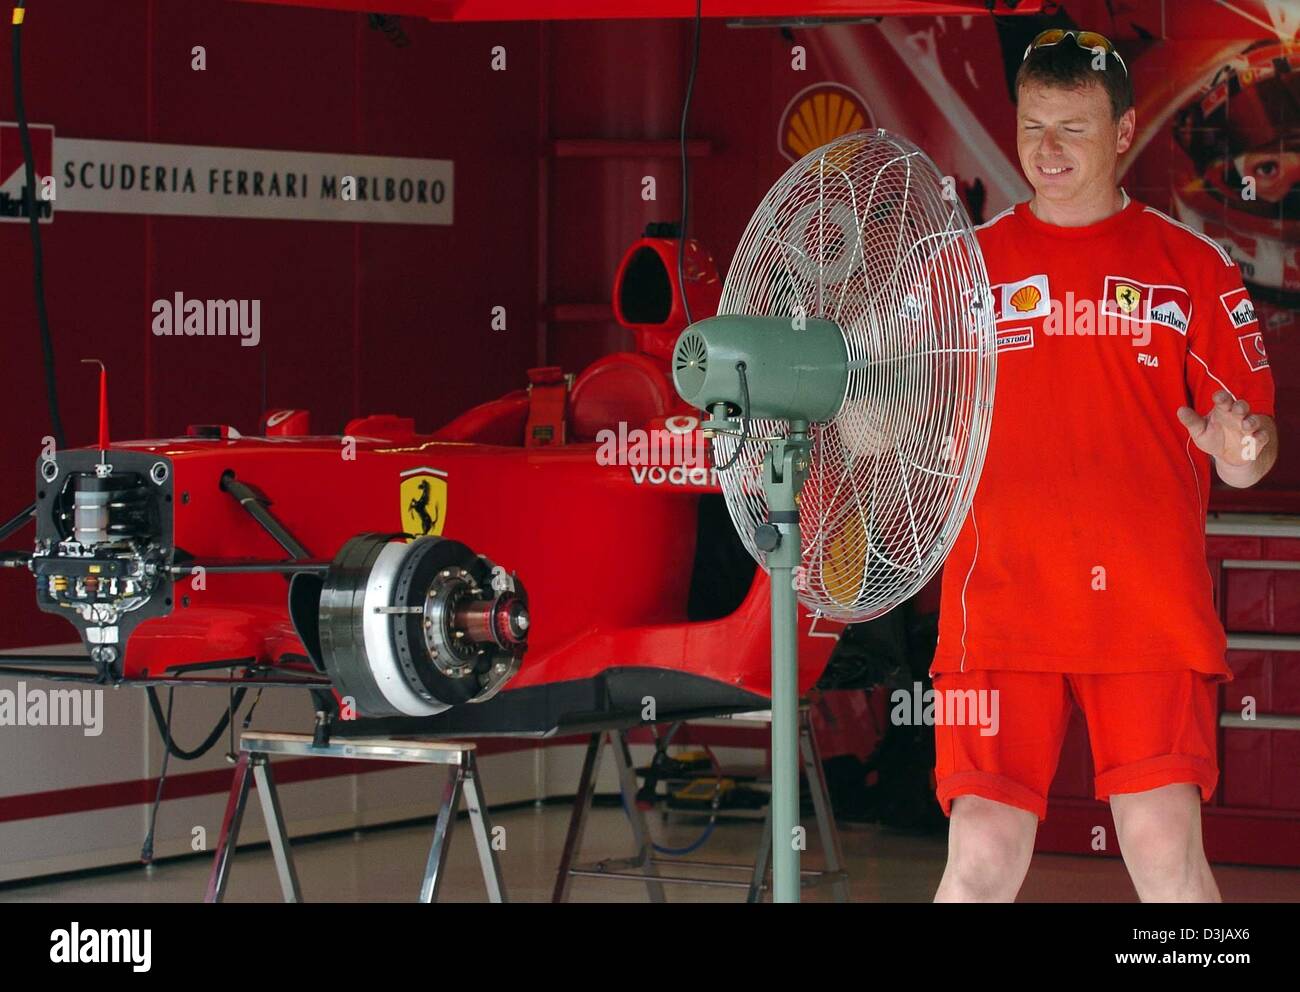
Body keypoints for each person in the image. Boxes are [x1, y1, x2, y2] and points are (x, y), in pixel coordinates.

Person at [930, 29, 1279, 902]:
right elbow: (895, 426)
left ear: (1125, 132)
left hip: (1146, 612)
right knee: (978, 854)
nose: (1047, 150)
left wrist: (1243, 445)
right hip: (996, 609)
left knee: (1164, 852)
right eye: (1033, 125)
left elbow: (1249, 458)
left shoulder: (1194, 269)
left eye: (1073, 129)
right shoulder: (962, 270)